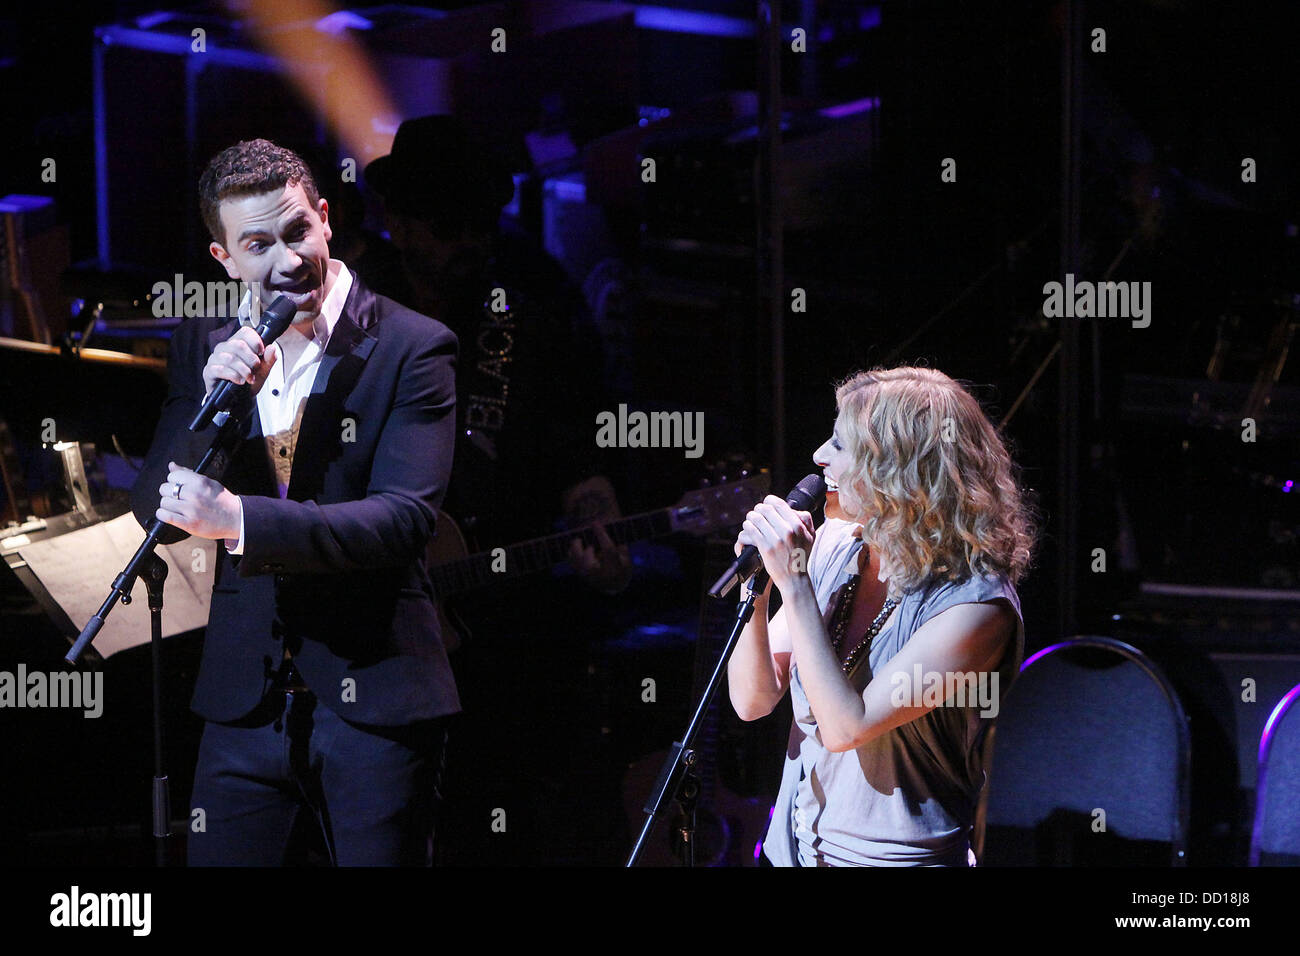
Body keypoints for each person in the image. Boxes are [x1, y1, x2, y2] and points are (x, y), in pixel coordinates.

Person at [129, 138, 459, 865]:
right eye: (258, 245)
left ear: (325, 218)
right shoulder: (205, 344)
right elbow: (155, 507)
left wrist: (240, 520)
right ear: (224, 258)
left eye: (298, 230)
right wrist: (215, 405)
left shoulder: (414, 345)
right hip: (243, 702)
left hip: (376, 697)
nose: (288, 259)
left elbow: (405, 519)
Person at [728, 367, 1037, 866]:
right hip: (794, 852)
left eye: (840, 444)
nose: (819, 456)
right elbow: (752, 700)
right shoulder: (833, 546)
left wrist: (795, 583)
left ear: (901, 467)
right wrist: (758, 587)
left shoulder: (975, 607)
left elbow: (846, 727)